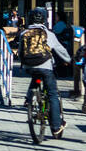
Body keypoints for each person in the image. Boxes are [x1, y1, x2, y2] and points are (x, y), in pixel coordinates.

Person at [17, 8, 71, 137]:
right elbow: (59, 49)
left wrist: (23, 63)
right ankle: (56, 126)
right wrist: (68, 60)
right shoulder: (48, 33)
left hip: (29, 65)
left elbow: (20, 51)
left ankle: (29, 99)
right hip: (45, 64)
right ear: (45, 20)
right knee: (52, 94)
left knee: (35, 76)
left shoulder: (24, 33)